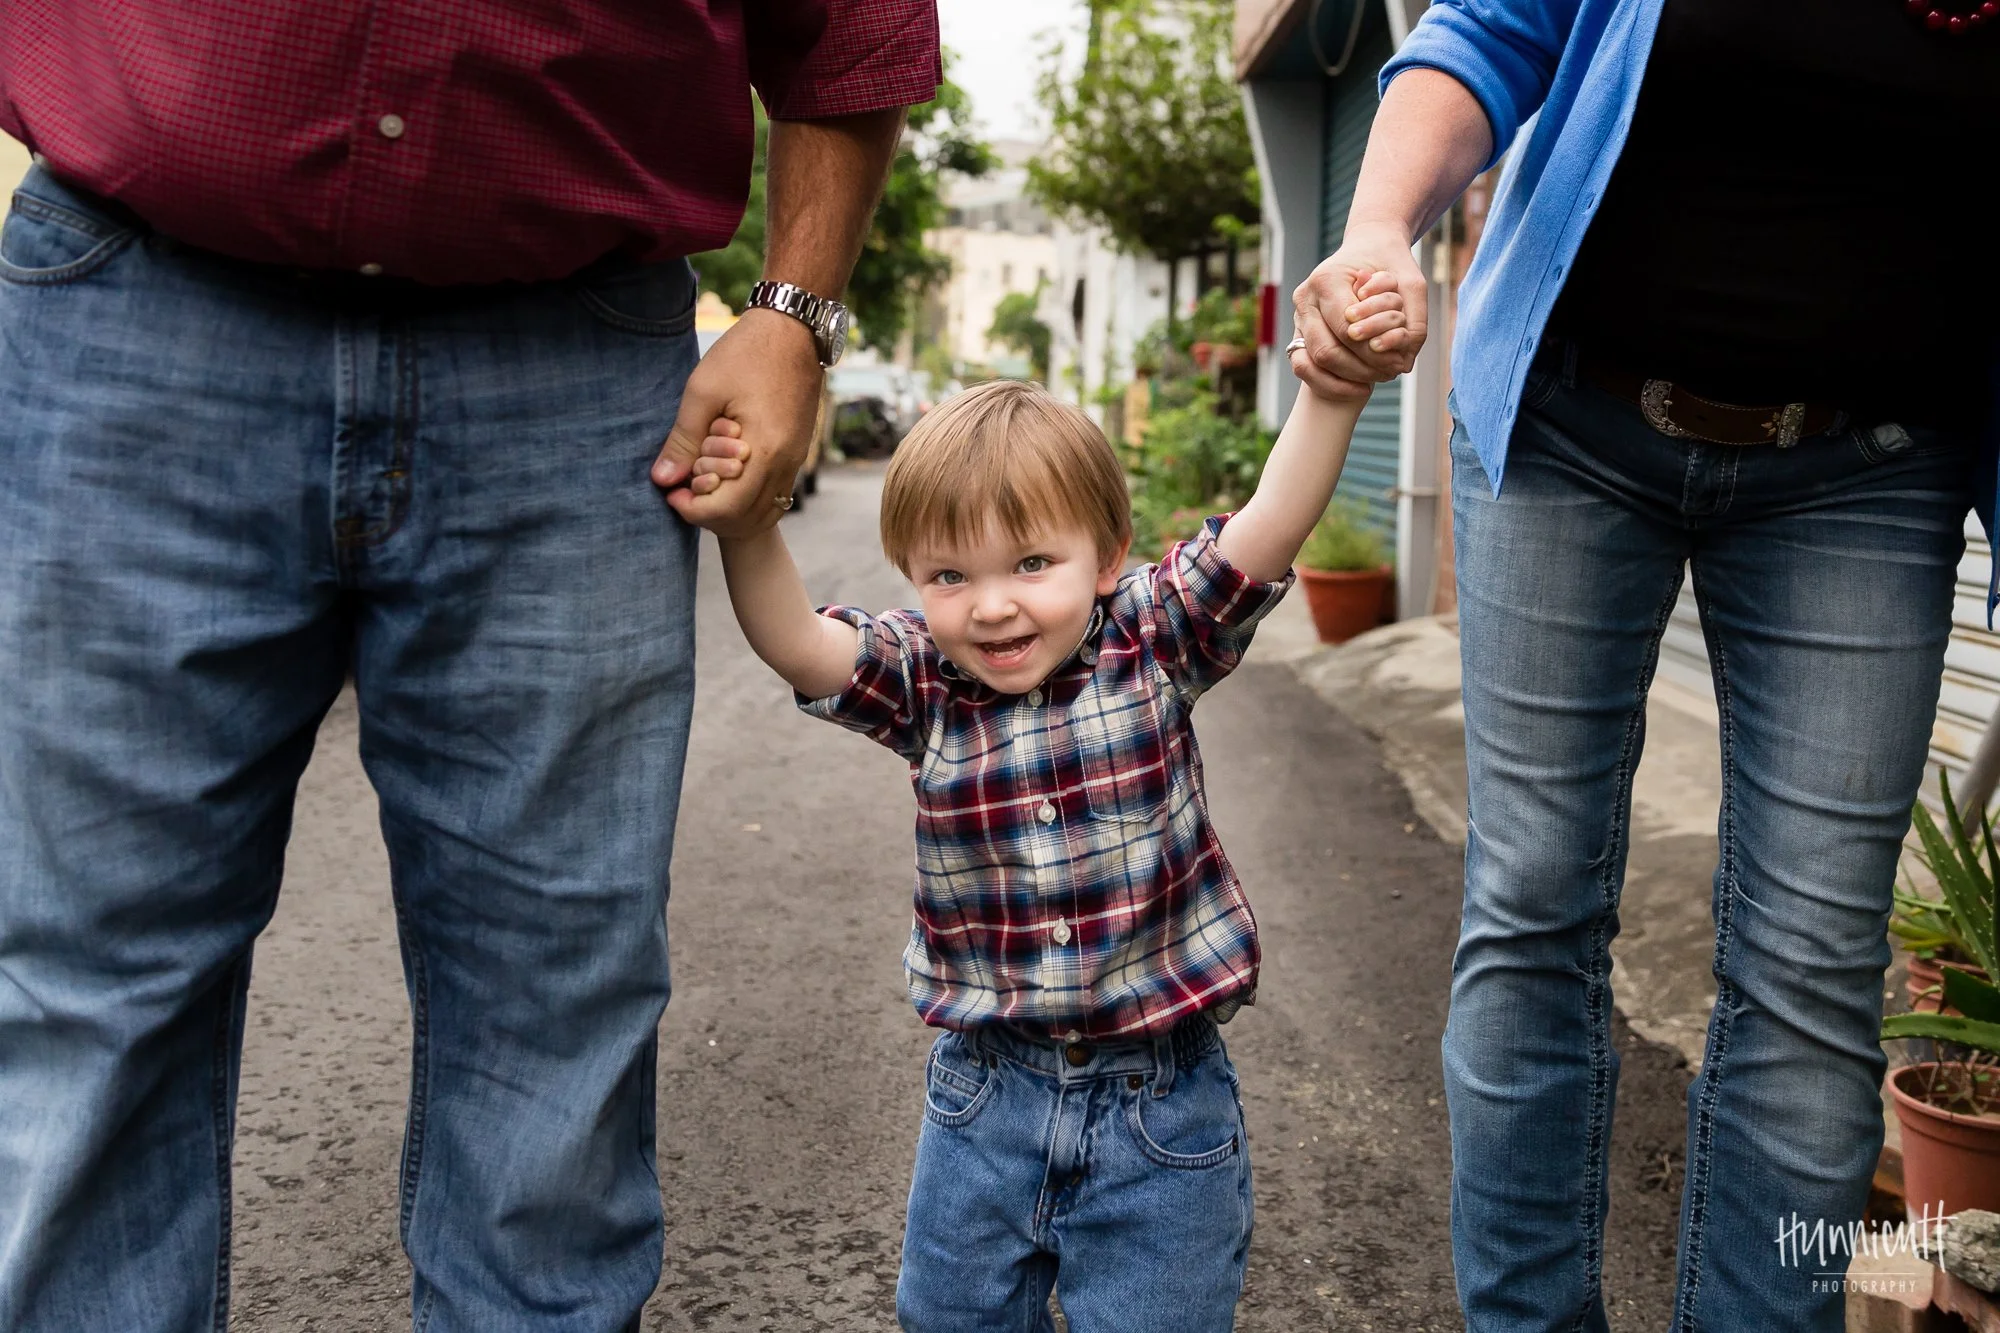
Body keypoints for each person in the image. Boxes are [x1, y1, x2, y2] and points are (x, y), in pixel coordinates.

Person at [0, 6, 938, 1331]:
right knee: (90, 1002)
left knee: (555, 999)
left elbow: (848, 24)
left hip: (570, 357)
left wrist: (792, 316)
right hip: (134, 307)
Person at [1287, 1, 1999, 1329]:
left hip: (1873, 473)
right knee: (1536, 902)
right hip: (1571, 427)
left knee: (1812, 971)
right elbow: (1491, 33)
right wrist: (1378, 224)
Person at [685, 287, 1395, 1329]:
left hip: (1164, 1106)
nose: (993, 603)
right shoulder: (922, 681)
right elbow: (799, 643)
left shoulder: (1152, 640)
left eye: (1031, 562)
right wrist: (748, 526)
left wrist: (1329, 395)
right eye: (949, 573)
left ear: (1105, 556)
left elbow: (1260, 537)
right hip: (984, 1103)